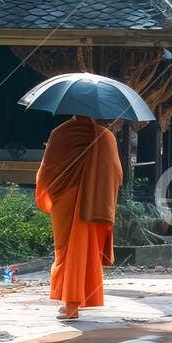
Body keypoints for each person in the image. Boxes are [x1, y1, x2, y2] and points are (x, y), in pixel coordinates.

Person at [35, 115, 123, 320]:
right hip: (93, 203)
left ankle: (71, 304)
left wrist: (49, 190)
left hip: (64, 199)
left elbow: (47, 170)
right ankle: (76, 300)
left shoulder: (59, 134)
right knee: (84, 250)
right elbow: (117, 174)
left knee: (67, 249)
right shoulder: (106, 136)